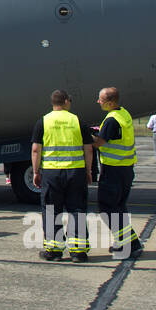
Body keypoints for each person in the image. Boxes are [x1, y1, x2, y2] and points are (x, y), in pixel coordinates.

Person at [31, 90, 94, 262]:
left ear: (53, 103)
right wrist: (88, 171)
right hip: (76, 171)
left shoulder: (43, 121)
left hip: (52, 173)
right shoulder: (77, 121)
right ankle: (78, 252)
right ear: (66, 101)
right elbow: (88, 148)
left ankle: (54, 250)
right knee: (77, 209)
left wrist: (36, 172)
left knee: (52, 210)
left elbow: (36, 149)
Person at [92, 86, 143, 259]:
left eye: (101, 99)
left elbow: (99, 143)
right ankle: (129, 242)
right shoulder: (124, 114)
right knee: (118, 207)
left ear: (111, 102)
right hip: (126, 169)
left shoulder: (112, 119)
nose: (98, 102)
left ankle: (129, 244)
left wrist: (86, 135)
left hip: (113, 170)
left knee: (107, 208)